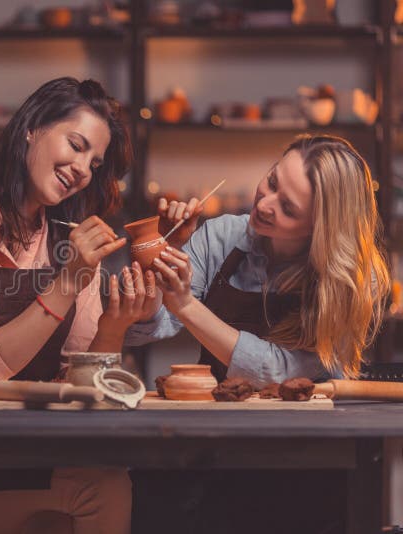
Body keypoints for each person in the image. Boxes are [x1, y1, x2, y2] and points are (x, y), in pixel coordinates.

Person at [0, 77, 144, 534]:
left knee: (143, 481)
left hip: (42, 451)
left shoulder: (66, 242)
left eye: (94, 163)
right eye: (75, 145)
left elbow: (82, 380)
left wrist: (117, 324)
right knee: (106, 488)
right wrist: (68, 282)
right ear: (32, 128)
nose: (82, 169)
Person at [124, 134, 391, 532]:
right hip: (210, 445)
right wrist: (158, 270)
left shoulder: (350, 279)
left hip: (306, 458)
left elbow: (278, 371)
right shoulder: (222, 237)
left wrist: (186, 305)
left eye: (287, 208)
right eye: (271, 181)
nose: (264, 204)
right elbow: (156, 327)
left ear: (320, 226)